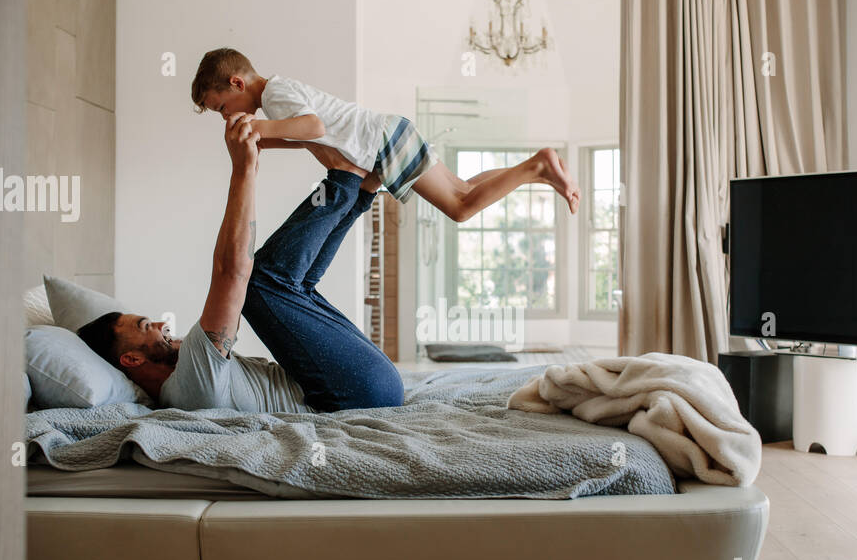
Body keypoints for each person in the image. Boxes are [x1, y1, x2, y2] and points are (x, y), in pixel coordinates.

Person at [77, 113, 404, 413]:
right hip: (360, 392)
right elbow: (230, 272)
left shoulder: (185, 383)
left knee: (293, 288)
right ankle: (346, 180)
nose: (162, 324)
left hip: (368, 386)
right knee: (260, 283)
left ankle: (362, 187)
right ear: (131, 358)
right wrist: (244, 168)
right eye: (145, 326)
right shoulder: (189, 383)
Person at [189, 47, 581, 220]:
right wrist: (262, 142)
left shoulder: (274, 97)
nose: (226, 117)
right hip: (389, 132)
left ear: (237, 84)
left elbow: (314, 128)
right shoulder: (278, 96)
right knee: (461, 187)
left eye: (222, 107)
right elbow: (305, 135)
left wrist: (257, 127)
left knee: (461, 208)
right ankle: (536, 169)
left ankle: (536, 167)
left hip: (384, 142)